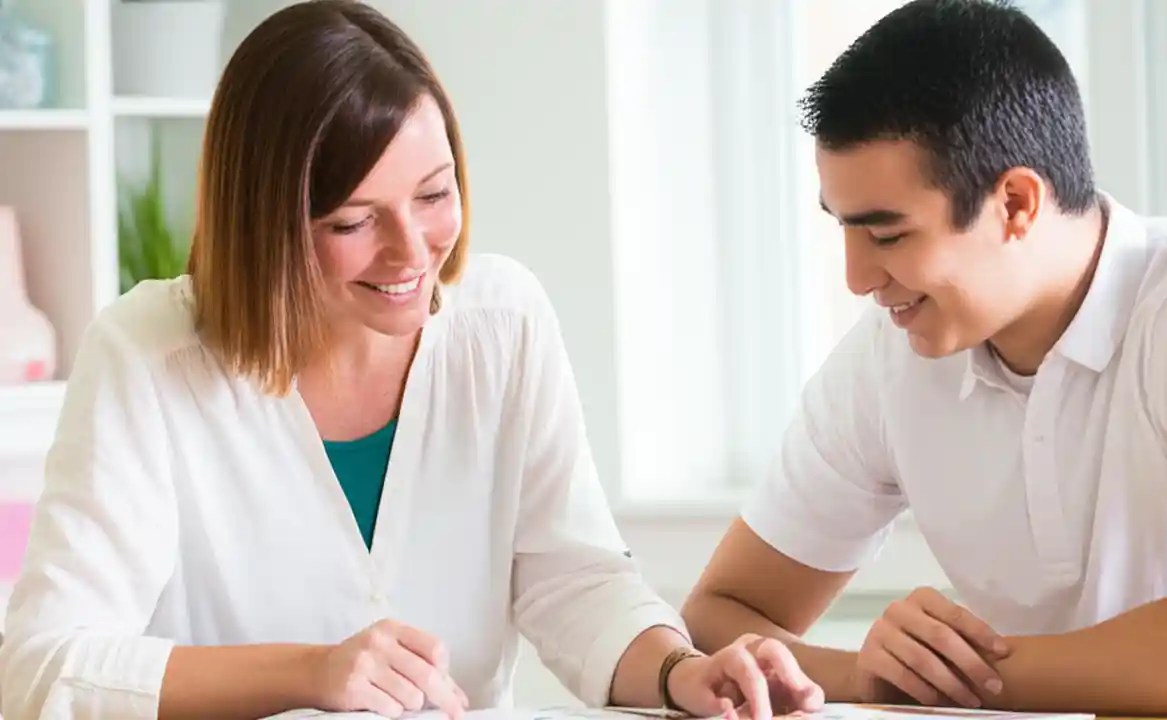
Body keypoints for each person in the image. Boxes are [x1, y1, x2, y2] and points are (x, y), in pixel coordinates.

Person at [0, 3, 825, 719]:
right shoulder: (148, 354)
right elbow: (42, 667)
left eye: (433, 194)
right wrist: (308, 672)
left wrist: (681, 673)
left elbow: (574, 581)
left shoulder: (502, 322)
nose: (411, 252)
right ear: (266, 224)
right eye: (354, 221)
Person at [681, 0, 1167, 715]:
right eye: (844, 229)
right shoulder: (891, 351)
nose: (856, 279)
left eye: (888, 236)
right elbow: (716, 616)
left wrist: (940, 678)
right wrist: (865, 675)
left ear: (1016, 203)